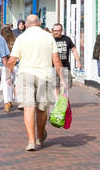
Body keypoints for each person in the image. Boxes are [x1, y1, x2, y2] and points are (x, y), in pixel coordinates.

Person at [6, 14, 64, 151]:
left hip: (25, 75)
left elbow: (12, 60)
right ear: (39, 23)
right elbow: (56, 59)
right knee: (42, 109)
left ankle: (31, 141)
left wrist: (8, 77)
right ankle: (40, 136)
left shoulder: (21, 38)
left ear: (26, 24)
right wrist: (63, 78)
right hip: (44, 76)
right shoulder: (48, 36)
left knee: (28, 108)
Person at [50, 22, 80, 96]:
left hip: (65, 67)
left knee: (65, 86)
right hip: (53, 67)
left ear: (61, 31)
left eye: (57, 30)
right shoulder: (50, 39)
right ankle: (58, 102)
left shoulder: (67, 39)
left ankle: (63, 102)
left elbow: (74, 50)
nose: (55, 32)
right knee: (55, 86)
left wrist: (78, 61)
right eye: (54, 30)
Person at [0, 25, 18, 113]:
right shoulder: (15, 41)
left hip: (5, 65)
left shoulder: (1, 41)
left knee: (6, 84)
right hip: (16, 64)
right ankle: (12, 101)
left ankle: (7, 103)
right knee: (13, 84)